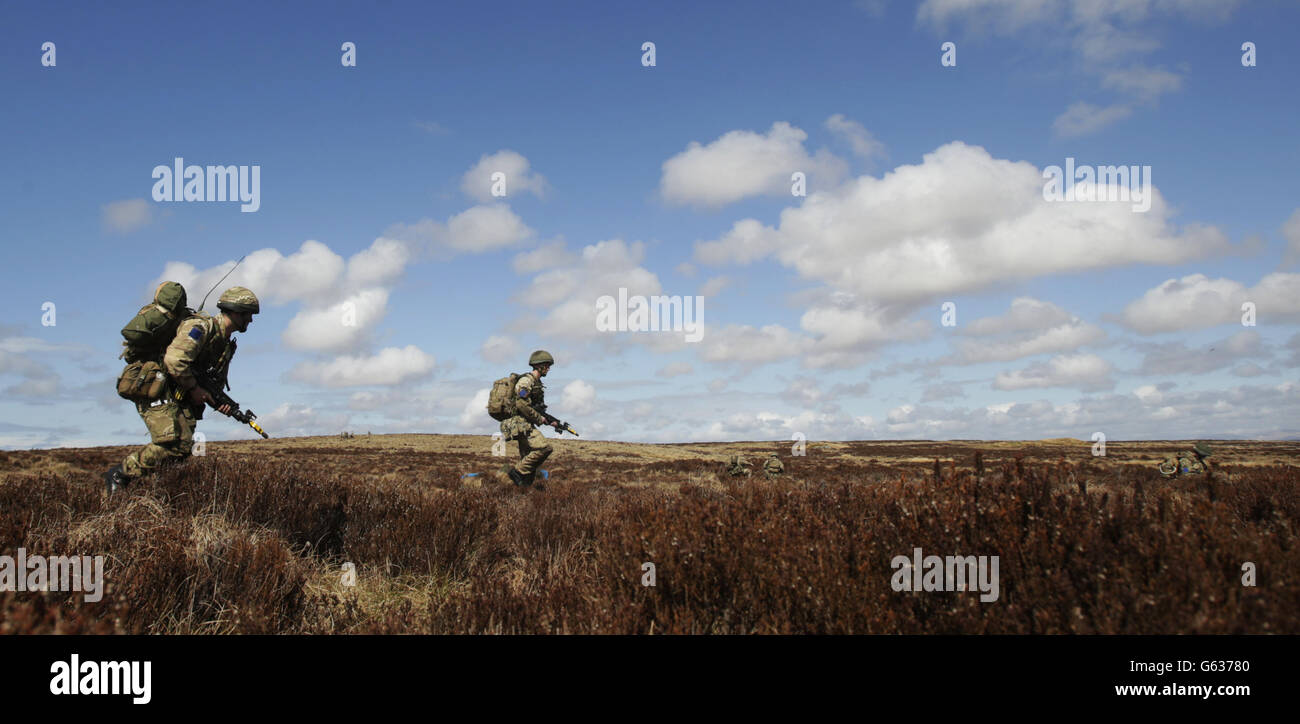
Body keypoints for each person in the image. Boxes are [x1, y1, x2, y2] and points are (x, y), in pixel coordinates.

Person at [104, 286, 259, 493]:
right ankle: (121, 474)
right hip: (157, 385)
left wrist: (217, 402)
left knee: (183, 450)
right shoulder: (200, 327)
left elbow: (212, 379)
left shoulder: (224, 343)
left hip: (178, 390)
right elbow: (175, 361)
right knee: (172, 443)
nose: (251, 320)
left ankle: (152, 492)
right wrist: (194, 388)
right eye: (248, 314)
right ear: (236, 311)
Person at [499, 350, 563, 487]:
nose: (549, 369)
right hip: (521, 424)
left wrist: (551, 421)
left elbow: (535, 408)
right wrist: (540, 419)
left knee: (528, 459)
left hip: (525, 424)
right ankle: (517, 471)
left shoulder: (536, 382)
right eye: (547, 365)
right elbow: (521, 404)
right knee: (544, 448)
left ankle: (522, 491)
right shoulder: (526, 381)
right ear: (539, 366)